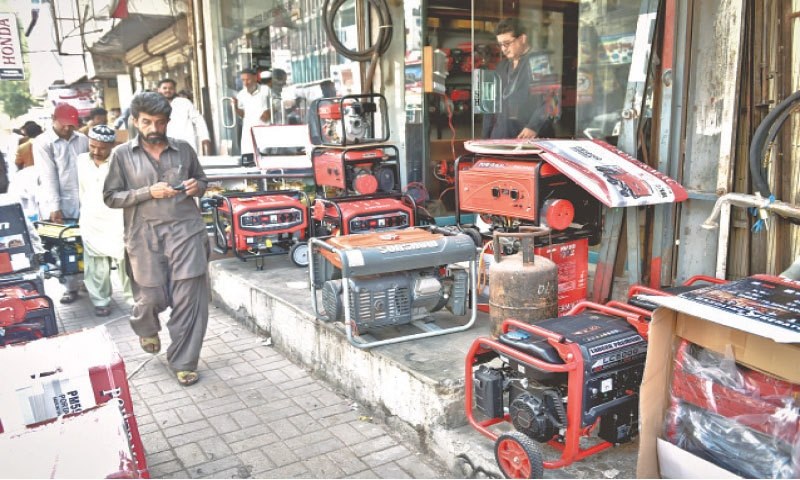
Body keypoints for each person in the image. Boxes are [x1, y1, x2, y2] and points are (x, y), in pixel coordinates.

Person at [103, 92, 209, 387]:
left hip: (186, 232)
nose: (153, 128)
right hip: (144, 235)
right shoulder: (122, 155)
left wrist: (195, 186)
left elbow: (202, 180)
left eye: (160, 123)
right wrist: (148, 192)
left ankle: (185, 361)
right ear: (135, 121)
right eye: (147, 122)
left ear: (167, 123)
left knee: (190, 297)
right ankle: (146, 327)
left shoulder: (184, 149)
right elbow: (111, 197)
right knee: (150, 295)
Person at [33, 103, 89, 303]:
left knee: (84, 244)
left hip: (83, 200)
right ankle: (69, 288)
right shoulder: (42, 142)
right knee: (63, 246)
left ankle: (85, 282)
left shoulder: (82, 139)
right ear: (53, 119)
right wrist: (54, 207)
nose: (67, 129)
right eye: (64, 124)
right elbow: (48, 176)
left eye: (71, 125)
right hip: (57, 202)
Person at [78, 125, 133, 317]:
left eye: (102, 147)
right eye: (92, 146)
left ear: (111, 145)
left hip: (116, 218)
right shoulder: (81, 161)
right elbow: (81, 190)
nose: (96, 151)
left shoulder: (120, 162)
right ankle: (100, 301)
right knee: (95, 265)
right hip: (91, 219)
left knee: (125, 262)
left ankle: (133, 300)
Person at [482, 18, 554, 140]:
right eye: (500, 45)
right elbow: (490, 106)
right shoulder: (501, 66)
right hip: (499, 138)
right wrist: (484, 138)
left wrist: (533, 127)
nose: (503, 49)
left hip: (525, 140)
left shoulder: (538, 63)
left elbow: (551, 101)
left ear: (522, 39)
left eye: (507, 43)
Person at [156, 79, 211, 155]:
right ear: (159, 90)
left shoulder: (184, 102)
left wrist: (205, 138)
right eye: (164, 88)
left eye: (171, 88)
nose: (168, 90)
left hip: (186, 142)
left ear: (175, 90)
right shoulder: (154, 105)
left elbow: (199, 120)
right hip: (165, 145)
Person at [234, 67, 271, 165]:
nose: (246, 83)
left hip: (264, 132)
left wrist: (270, 111)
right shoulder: (241, 95)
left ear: (255, 78)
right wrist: (235, 108)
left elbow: (277, 104)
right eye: (243, 80)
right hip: (248, 135)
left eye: (248, 79)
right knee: (249, 165)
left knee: (265, 164)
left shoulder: (265, 90)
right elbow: (242, 114)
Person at [10, 121, 43, 221]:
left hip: (29, 178)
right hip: (45, 175)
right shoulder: (47, 143)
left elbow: (18, 163)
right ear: (40, 132)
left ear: (27, 134)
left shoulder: (23, 147)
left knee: (32, 204)